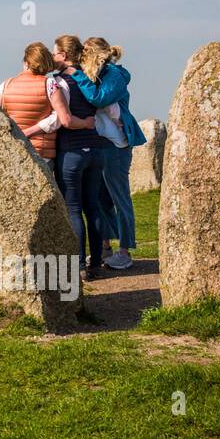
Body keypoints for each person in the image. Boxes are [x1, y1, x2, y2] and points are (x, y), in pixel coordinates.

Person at [69, 38, 146, 270]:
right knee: (100, 199)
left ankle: (125, 250)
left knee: (119, 196)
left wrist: (76, 74)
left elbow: (99, 98)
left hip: (117, 144)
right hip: (99, 142)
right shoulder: (94, 73)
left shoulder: (115, 75)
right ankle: (105, 246)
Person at [50, 35, 110, 278]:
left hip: (72, 150)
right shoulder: (91, 78)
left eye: (55, 54)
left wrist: (81, 124)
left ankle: (79, 267)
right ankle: (96, 262)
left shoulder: (59, 82)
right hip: (95, 149)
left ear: (64, 56)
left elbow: (64, 120)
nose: (52, 58)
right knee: (92, 207)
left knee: (73, 209)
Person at [0, 42, 60, 162]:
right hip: (42, 151)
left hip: (15, 148)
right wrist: (32, 130)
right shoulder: (49, 84)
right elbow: (59, 117)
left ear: (26, 64)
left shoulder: (6, 85)